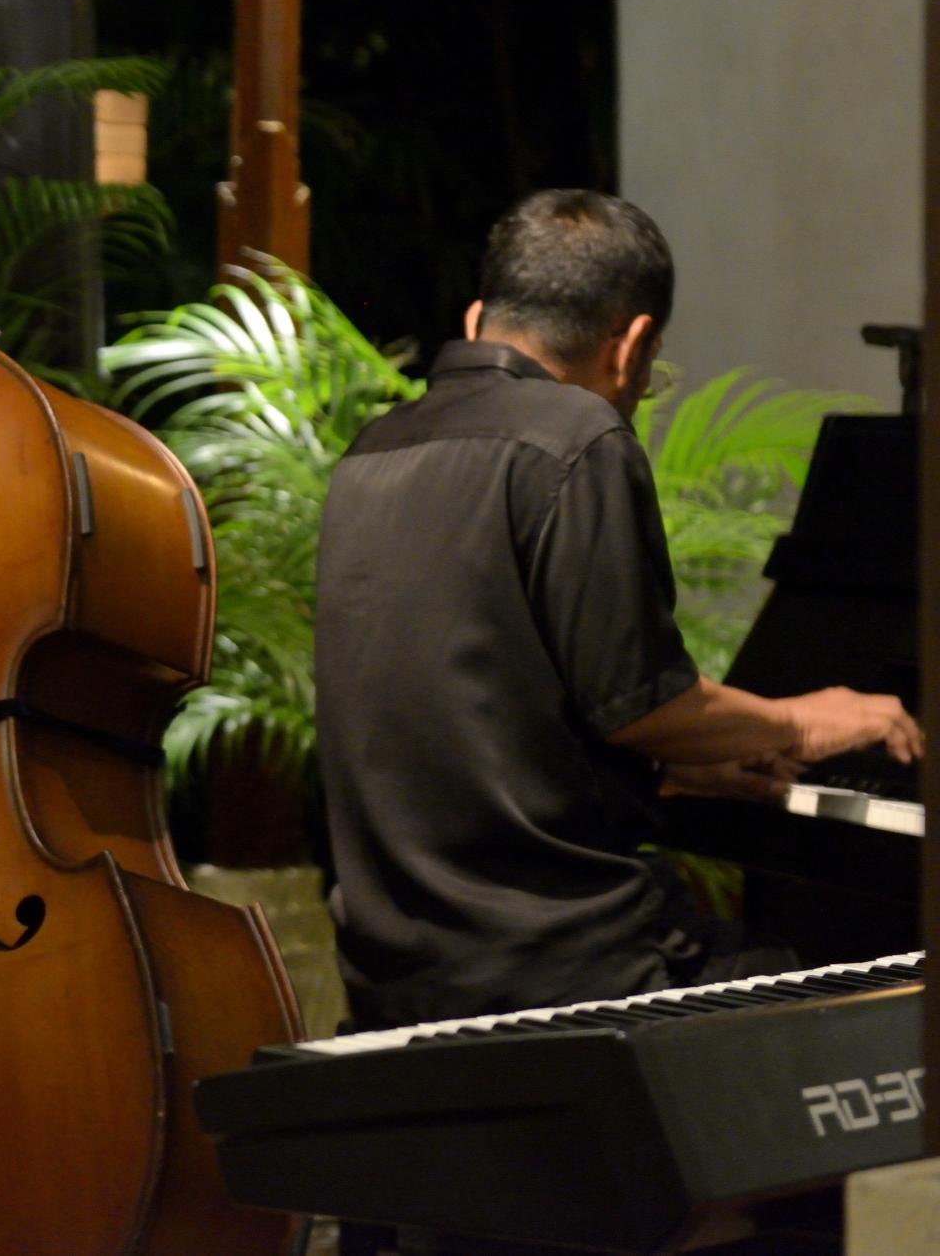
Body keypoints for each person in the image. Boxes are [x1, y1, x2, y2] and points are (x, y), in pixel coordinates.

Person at [315, 189, 922, 1037]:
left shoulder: (373, 454)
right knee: (839, 1020)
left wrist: (680, 772)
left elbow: (476, 718)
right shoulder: (579, 438)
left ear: (479, 315)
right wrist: (800, 720)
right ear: (633, 343)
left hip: (400, 970)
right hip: (566, 963)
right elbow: (642, 704)